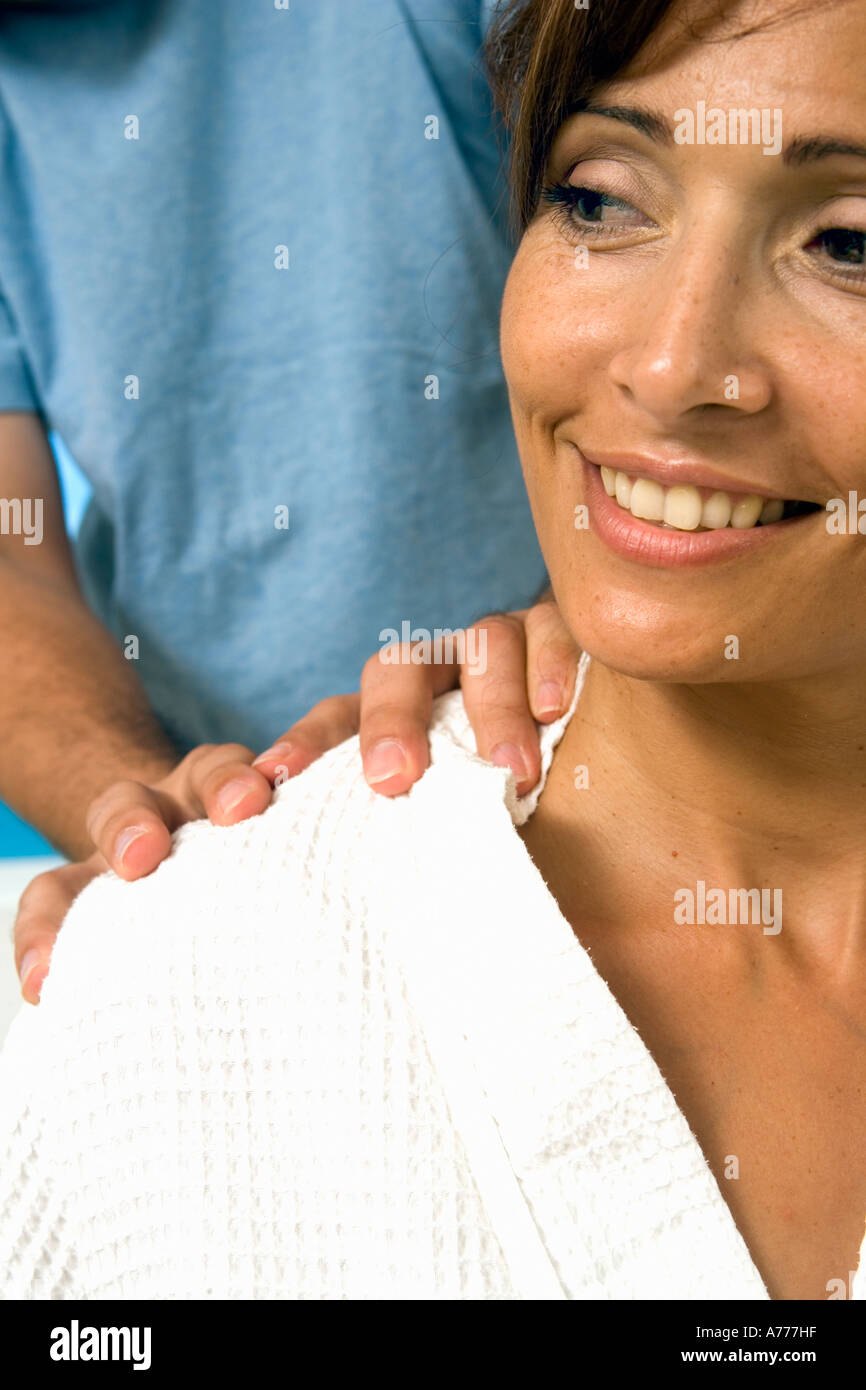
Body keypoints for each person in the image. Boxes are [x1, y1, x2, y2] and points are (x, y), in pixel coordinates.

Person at [3, 0, 866, 1300]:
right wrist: (149, 823)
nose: (676, 358)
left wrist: (592, 611)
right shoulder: (157, 1013)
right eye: (595, 205)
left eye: (848, 242)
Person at [0, 0, 578, 1005]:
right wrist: (142, 806)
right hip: (209, 831)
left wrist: (601, 646)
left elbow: (658, 269)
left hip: (542, 753)